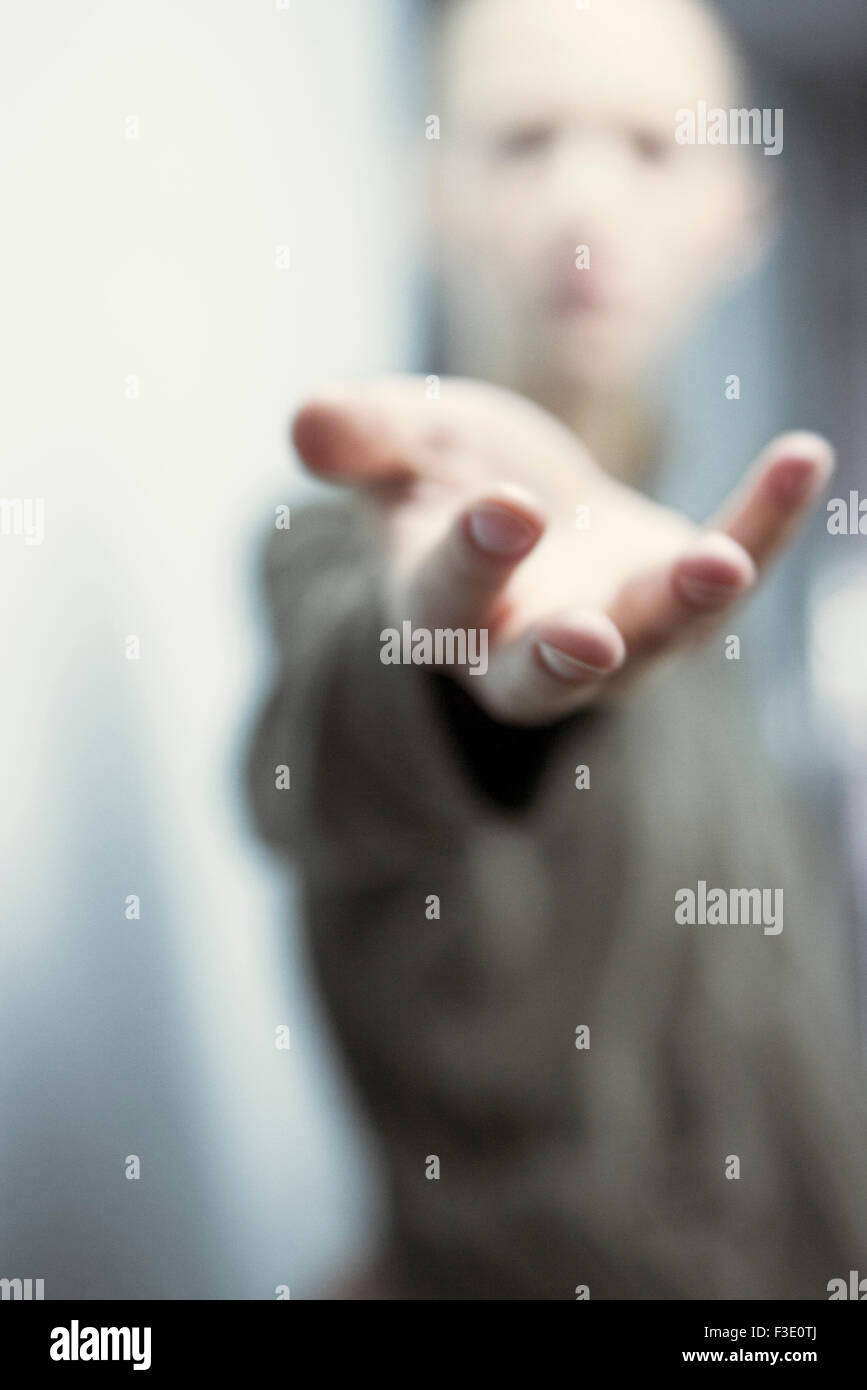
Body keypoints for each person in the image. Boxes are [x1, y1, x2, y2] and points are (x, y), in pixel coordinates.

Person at [247, 0, 867, 1298]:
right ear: (426, 192)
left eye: (649, 146)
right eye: (524, 140)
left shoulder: (699, 589)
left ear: (738, 218)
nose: (584, 196)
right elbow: (335, 742)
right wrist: (458, 674)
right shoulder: (347, 560)